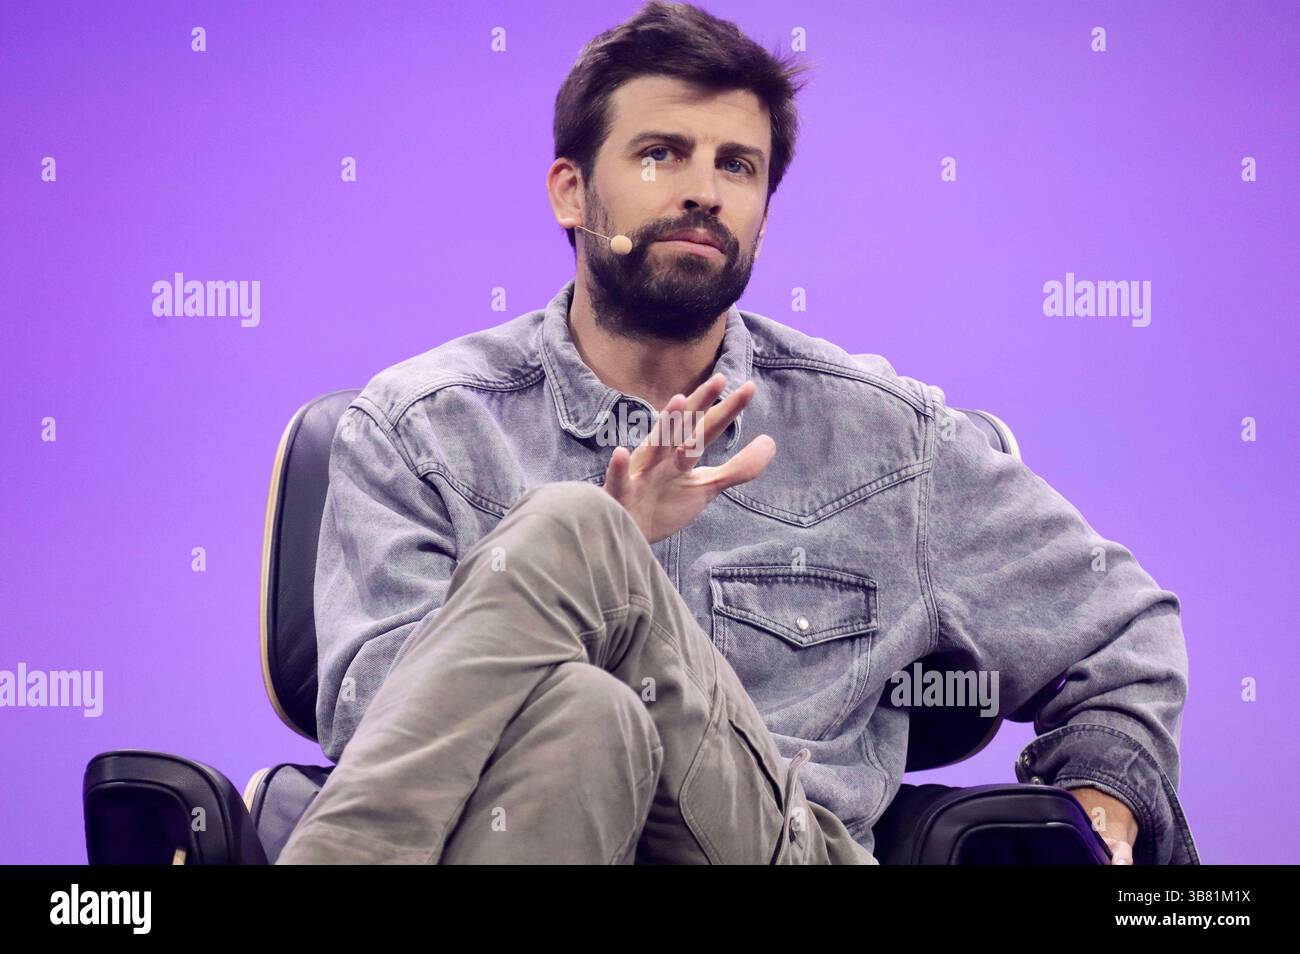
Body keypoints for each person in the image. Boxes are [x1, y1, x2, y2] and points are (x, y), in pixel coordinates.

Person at [276, 0, 1198, 865]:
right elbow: (378, 726)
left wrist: (1102, 802)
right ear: (570, 192)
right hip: (528, 831)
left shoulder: (892, 440)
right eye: (660, 154)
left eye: (736, 166)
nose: (703, 192)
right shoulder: (420, 427)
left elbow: (1125, 632)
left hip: (780, 847)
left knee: (575, 527)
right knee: (591, 712)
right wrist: (606, 583)